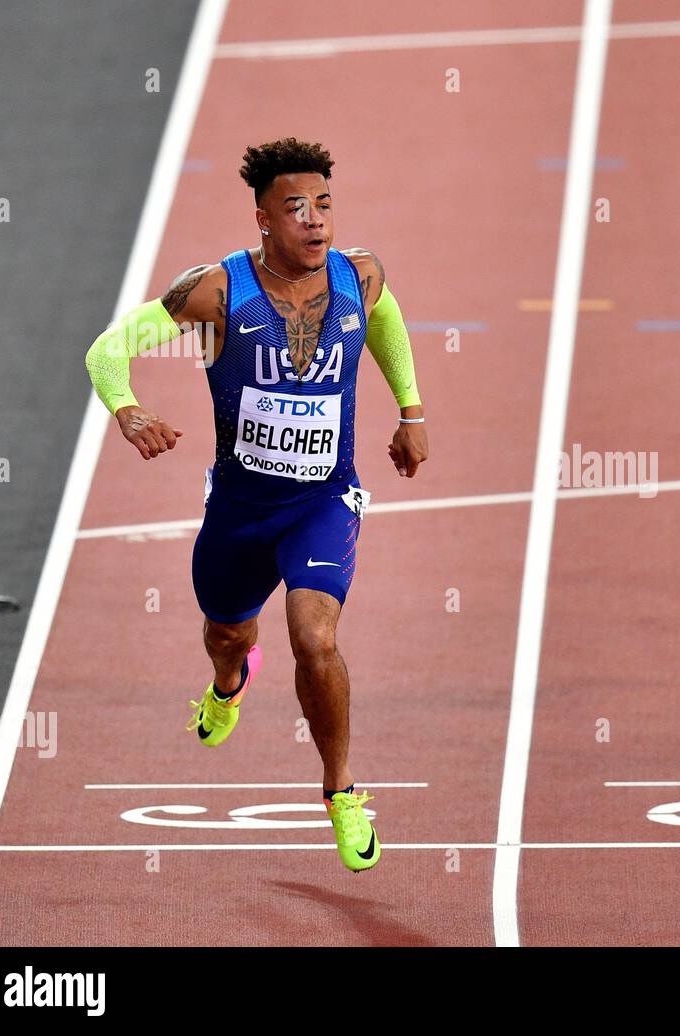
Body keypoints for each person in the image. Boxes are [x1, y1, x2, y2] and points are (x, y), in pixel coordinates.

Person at [85, 138, 429, 868]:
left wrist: (412, 409)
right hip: (240, 511)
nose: (316, 222)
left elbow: (387, 325)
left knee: (316, 638)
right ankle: (228, 683)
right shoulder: (216, 291)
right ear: (263, 219)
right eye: (296, 208)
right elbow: (107, 349)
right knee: (228, 634)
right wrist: (127, 409)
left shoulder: (359, 277)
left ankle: (341, 791)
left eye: (325, 205)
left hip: (323, 503)